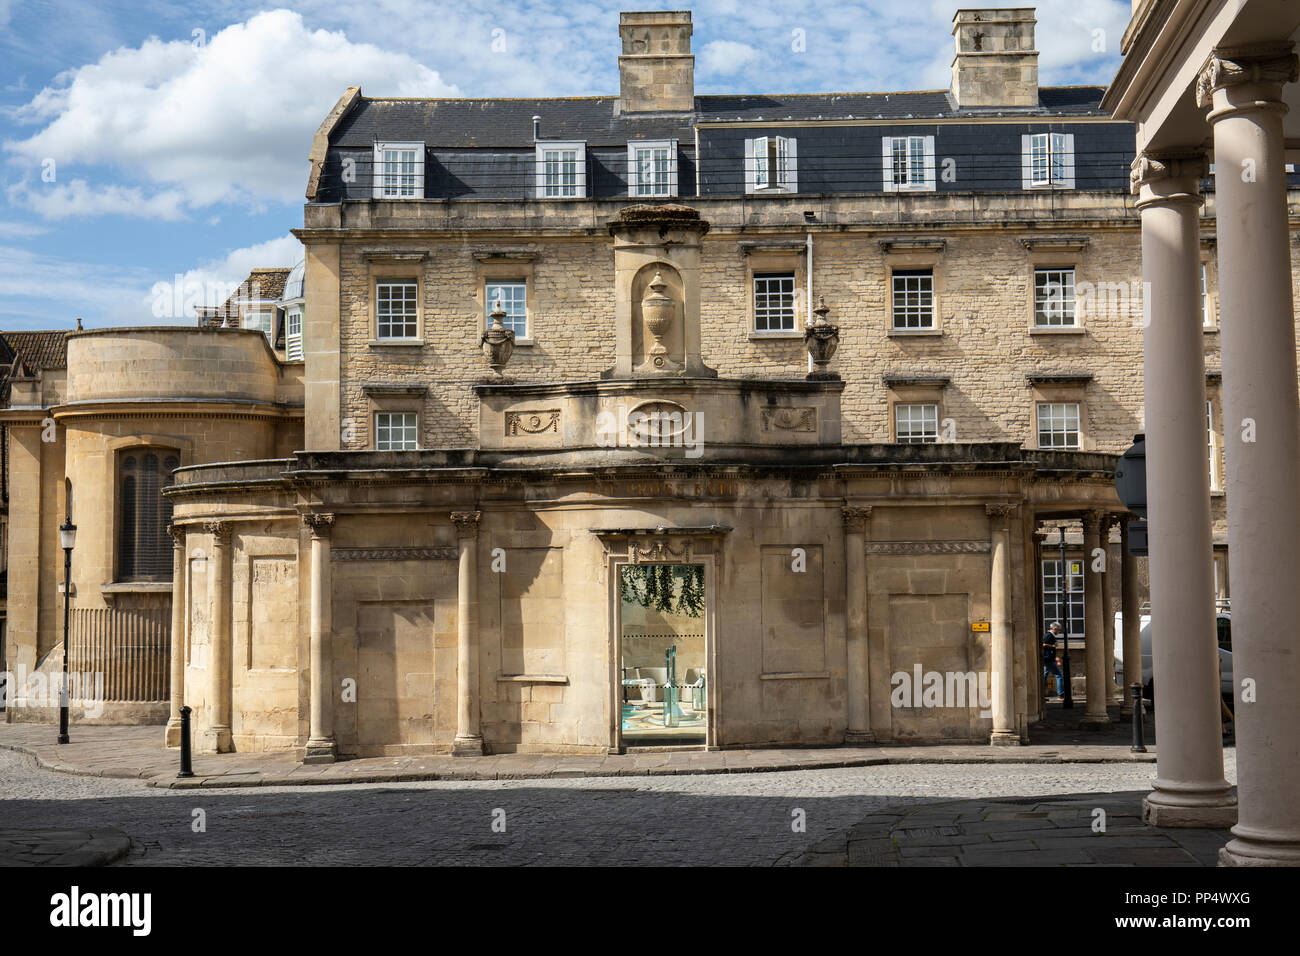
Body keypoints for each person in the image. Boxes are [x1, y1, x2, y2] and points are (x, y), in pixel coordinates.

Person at [1042, 622, 1065, 698]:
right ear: (1054, 628)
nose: (1059, 631)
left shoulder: (1051, 636)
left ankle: (1041, 695)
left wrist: (1055, 657)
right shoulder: (1048, 635)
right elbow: (1043, 645)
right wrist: (1053, 646)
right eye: (1058, 630)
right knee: (1059, 676)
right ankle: (1061, 693)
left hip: (1048, 659)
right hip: (1048, 659)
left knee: (1044, 676)